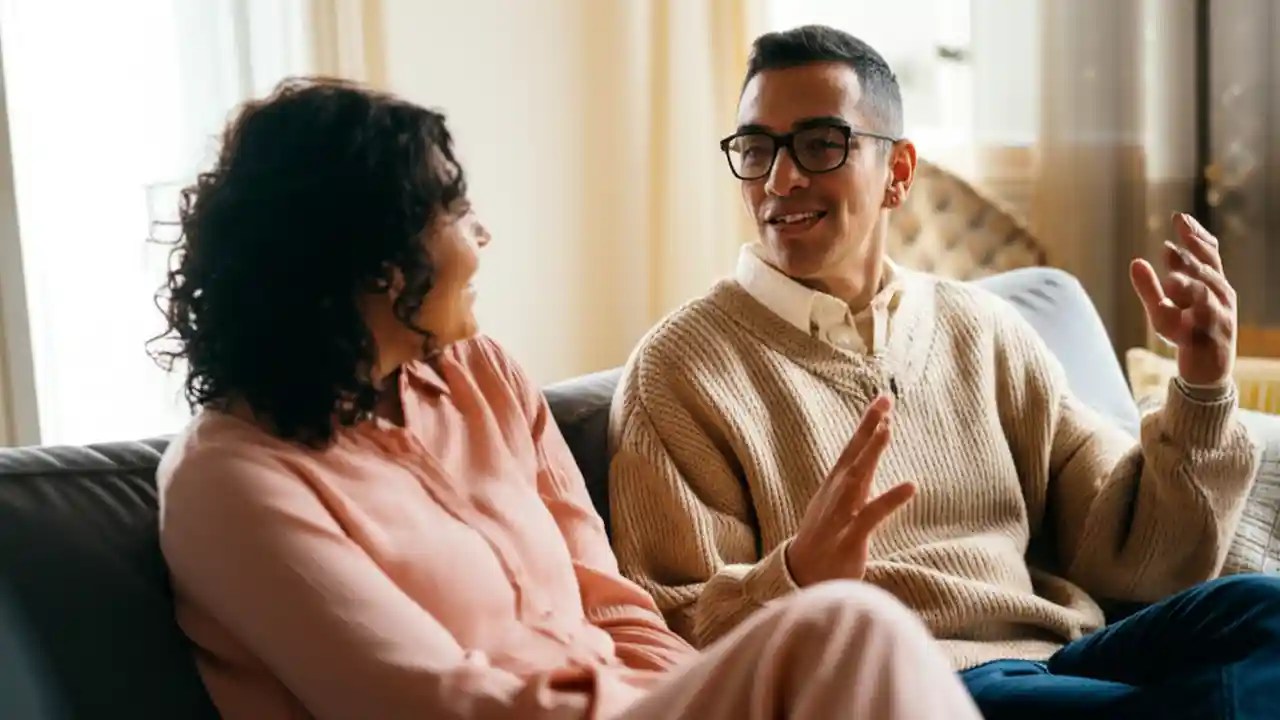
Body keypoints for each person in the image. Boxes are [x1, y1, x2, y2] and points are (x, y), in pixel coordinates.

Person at [149, 77, 980, 720]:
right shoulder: (231, 480)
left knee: (848, 640)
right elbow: (424, 704)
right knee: (847, 628)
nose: (482, 238)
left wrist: (699, 697)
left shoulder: (484, 380)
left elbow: (616, 610)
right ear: (376, 260)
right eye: (455, 211)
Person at [608, 24, 1280, 719]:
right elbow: (674, 630)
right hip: (911, 685)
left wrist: (1202, 386)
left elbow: (1139, 556)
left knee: (1265, 611)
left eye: (819, 144)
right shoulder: (678, 371)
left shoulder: (983, 328)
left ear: (898, 171)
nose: (780, 178)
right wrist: (797, 574)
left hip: (1058, 655)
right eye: (756, 149)